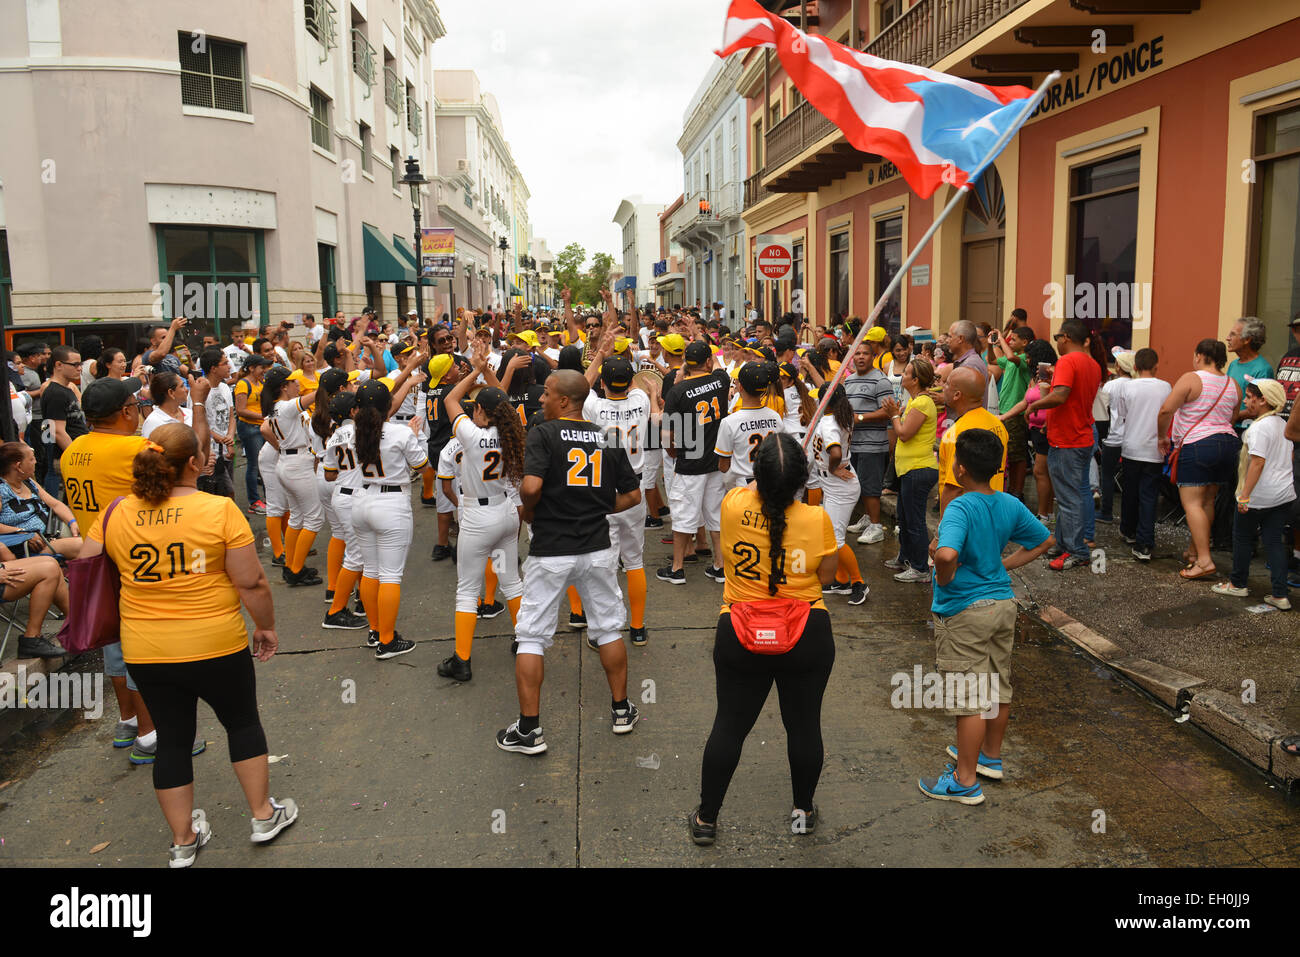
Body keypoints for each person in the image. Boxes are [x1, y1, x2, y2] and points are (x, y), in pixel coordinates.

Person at [78, 423, 295, 866]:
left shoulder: (117, 511)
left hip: (146, 649)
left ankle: (182, 840)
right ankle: (261, 814)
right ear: (195, 462)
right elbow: (251, 581)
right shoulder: (219, 510)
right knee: (241, 723)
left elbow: (86, 561)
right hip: (216, 641)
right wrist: (265, 626)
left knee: (174, 739)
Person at [690, 432, 839, 845]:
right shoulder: (817, 518)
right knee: (804, 725)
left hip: (739, 630)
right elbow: (826, 578)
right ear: (799, 481)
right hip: (806, 631)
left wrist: (767, 479)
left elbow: (753, 488)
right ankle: (803, 811)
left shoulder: (733, 504)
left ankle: (706, 819)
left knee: (729, 725)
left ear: (758, 475)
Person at [497, 370, 641, 755]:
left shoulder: (542, 434)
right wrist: (595, 506)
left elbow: (530, 487)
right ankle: (621, 710)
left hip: (552, 548)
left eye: (546, 393)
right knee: (608, 628)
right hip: (597, 547)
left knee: (531, 635)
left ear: (564, 400)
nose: (541, 399)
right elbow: (633, 496)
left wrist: (530, 511)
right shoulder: (606, 435)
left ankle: (530, 730)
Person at [919, 429, 1053, 805]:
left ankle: (964, 780)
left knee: (968, 697)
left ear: (960, 469)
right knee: (996, 684)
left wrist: (943, 580)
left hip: (965, 609)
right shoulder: (1009, 503)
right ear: (997, 468)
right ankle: (989, 757)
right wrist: (1002, 565)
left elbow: (946, 556)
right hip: (1002, 605)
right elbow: (1045, 541)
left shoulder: (959, 507)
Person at [437, 351, 526, 681]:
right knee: (510, 580)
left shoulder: (471, 435)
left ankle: (462, 659)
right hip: (505, 514)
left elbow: (450, 398)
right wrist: (486, 373)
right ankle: (524, 639)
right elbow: (498, 404)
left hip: (478, 519)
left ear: (479, 410)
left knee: (467, 589)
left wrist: (474, 370)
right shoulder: (512, 431)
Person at [348, 380, 433, 660]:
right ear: (388, 408)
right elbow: (423, 466)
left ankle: (375, 631)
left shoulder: (353, 432)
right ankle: (386, 640)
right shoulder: (400, 433)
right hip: (391, 503)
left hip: (361, 500)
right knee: (390, 576)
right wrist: (415, 435)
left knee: (371, 571)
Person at [582, 338, 654, 646]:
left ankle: (606, 630)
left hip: (603, 492)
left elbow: (580, 386)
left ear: (603, 381)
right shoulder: (641, 401)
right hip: (634, 488)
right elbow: (637, 382)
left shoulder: (595, 406)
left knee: (605, 564)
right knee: (635, 560)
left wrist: (599, 354)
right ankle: (637, 627)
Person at [1157, 338, 1240, 581]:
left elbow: (1165, 410)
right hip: (1227, 444)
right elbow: (1232, 416)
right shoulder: (1233, 383)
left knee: (1192, 503)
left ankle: (1204, 560)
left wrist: (1162, 436)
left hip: (1197, 446)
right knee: (1207, 502)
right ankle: (1194, 551)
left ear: (1199, 355)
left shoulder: (1192, 378)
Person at [1025, 320, 1101, 571]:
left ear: (1066, 337)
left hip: (1067, 440)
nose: (1056, 342)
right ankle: (1063, 543)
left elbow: (1062, 395)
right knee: (1073, 495)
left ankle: (1075, 550)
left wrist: (1035, 405)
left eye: (1058, 337)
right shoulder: (1093, 364)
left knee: (1068, 499)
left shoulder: (1068, 361)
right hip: (1080, 436)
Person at [1212, 380, 1294, 609]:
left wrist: (1245, 496)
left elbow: (1257, 462)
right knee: (1274, 542)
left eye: (1249, 397)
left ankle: (1237, 584)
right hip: (1283, 494)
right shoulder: (1282, 424)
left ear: (1263, 400)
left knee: (1243, 538)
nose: (1246, 401)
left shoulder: (1258, 428)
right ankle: (1279, 595)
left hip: (1259, 496)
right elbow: (1289, 458)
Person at [658, 339, 729, 585]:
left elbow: (667, 434)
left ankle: (677, 568)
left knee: (683, 516)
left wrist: (673, 452)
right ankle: (720, 565)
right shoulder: (721, 381)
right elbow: (719, 364)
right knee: (715, 515)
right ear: (707, 361)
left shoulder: (676, 392)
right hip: (715, 460)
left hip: (690, 461)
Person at [261, 366, 324, 586]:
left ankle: (291, 565)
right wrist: (326, 381)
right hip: (297, 463)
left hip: (289, 461)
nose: (298, 384)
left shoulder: (277, 407)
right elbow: (314, 395)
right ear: (283, 387)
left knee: (297, 517)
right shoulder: (286, 406)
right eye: (293, 381)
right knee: (314, 518)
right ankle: (296, 569)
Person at [882, 357, 939, 582]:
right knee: (904, 518)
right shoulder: (916, 401)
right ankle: (905, 557)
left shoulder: (922, 403)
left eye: (906, 373)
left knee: (914, 521)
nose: (901, 376)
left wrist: (894, 415)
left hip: (918, 469)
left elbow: (904, 434)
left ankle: (920, 568)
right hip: (908, 469)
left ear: (915, 380)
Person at [810, 385, 868, 606]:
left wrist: (833, 467)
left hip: (840, 484)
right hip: (835, 483)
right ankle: (842, 581)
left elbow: (834, 452)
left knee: (836, 540)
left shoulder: (829, 422)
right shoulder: (840, 415)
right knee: (831, 536)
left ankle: (858, 582)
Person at [1111, 348, 1170, 561]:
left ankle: (1128, 530)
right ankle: (1145, 542)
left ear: (1135, 366)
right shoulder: (1166, 387)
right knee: (1149, 495)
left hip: (1131, 446)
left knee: (1130, 492)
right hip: (1154, 448)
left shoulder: (1128, 387)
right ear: (1156, 366)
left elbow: (1122, 415)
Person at [938, 367, 1008, 516]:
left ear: (957, 395)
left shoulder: (958, 432)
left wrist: (943, 530)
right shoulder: (997, 425)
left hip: (967, 517)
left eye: (947, 383)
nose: (943, 386)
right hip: (994, 513)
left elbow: (954, 488)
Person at [843, 342, 893, 545]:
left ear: (873, 356)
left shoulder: (881, 381)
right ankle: (866, 518)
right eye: (857, 354)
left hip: (873, 444)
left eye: (865, 354)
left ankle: (876, 526)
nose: (861, 357)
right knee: (859, 485)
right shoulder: (849, 380)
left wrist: (860, 418)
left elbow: (888, 411)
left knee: (871, 487)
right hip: (853, 444)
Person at [0, 442, 82, 559]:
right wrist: (21, 532)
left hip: (53, 531)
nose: (36, 462)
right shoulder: (2, 489)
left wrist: (72, 522)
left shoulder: (28, 482)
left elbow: (56, 504)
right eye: (31, 459)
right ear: (18, 466)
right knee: (84, 546)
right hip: (32, 545)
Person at [989, 326, 1032, 500]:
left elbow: (1011, 356)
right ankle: (1012, 489)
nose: (1009, 342)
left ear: (1025, 342)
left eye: (1013, 339)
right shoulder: (1010, 360)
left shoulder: (1023, 360)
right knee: (1010, 454)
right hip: (1004, 410)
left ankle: (1017, 490)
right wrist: (991, 344)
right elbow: (992, 360)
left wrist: (1001, 337)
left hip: (1015, 413)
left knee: (1017, 455)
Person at [40, 344, 87, 498]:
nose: (79, 368)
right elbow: (57, 431)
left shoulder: (67, 389)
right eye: (75, 364)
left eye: (80, 364)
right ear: (58, 365)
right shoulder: (55, 393)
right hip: (67, 457)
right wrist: (78, 458)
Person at [233, 355, 271, 514]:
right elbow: (240, 410)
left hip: (262, 427)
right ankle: (254, 501)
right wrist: (262, 416)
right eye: (262, 367)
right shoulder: (243, 384)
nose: (264, 371)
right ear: (251, 368)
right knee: (254, 465)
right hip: (249, 428)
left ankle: (268, 499)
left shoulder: (260, 382)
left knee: (266, 464)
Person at [1225, 317, 1273, 427]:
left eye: (1233, 334)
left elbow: (1261, 406)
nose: (1228, 338)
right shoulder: (1233, 364)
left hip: (1246, 430)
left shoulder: (1262, 369)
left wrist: (1228, 417)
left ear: (1247, 340)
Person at [140, 372, 193, 439]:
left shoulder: (189, 413)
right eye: (182, 386)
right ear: (171, 393)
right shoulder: (153, 422)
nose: (186, 389)